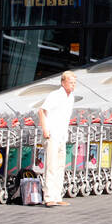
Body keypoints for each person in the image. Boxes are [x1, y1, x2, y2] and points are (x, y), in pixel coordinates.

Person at [37, 71, 76, 207]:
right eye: (71, 82)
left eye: (74, 83)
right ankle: (48, 197)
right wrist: (45, 129)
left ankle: (57, 195)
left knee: (60, 166)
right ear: (63, 82)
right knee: (51, 166)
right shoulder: (55, 95)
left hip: (62, 134)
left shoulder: (71, 97)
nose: (73, 85)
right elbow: (42, 110)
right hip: (52, 134)